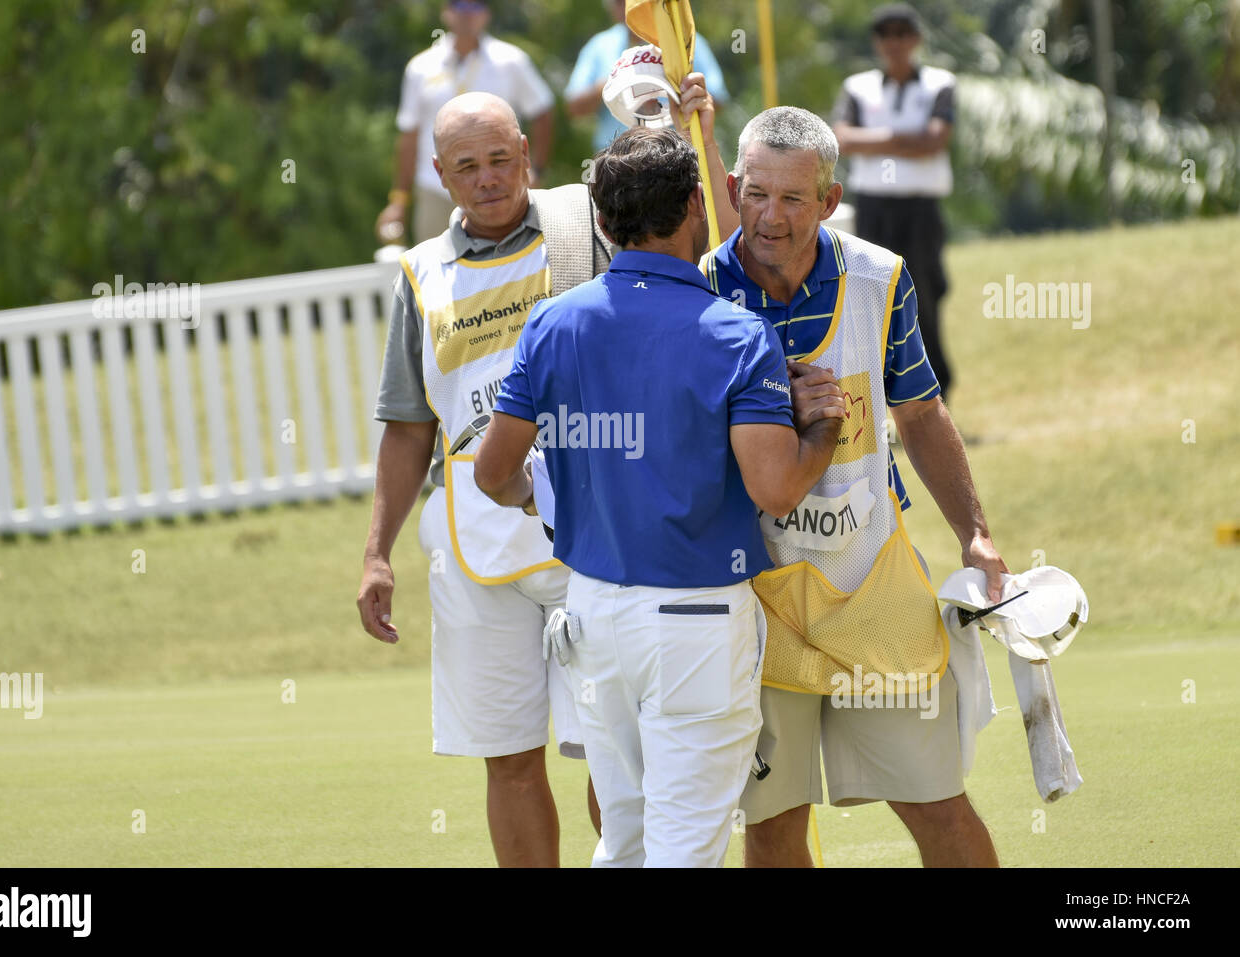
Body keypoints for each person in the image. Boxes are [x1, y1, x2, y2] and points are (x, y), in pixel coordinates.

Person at [355, 75, 723, 866]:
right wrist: (377, 550)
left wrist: (677, 111)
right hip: (473, 539)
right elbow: (408, 421)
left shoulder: (582, 223)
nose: (487, 178)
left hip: (592, 523)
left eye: (500, 157)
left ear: (527, 152)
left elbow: (684, 227)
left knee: (608, 746)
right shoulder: (420, 272)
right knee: (510, 756)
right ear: (438, 173)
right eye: (466, 166)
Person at [472, 126, 845, 867]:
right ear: (698, 208)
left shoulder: (553, 320)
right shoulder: (735, 333)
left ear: (603, 223)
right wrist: (825, 429)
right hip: (696, 621)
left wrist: (537, 498)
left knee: (627, 841)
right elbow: (774, 487)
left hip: (592, 612)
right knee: (683, 849)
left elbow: (492, 474)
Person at [699, 105, 1006, 867]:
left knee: (936, 802)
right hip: (758, 598)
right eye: (758, 193)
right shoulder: (699, 288)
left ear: (829, 201)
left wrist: (976, 531)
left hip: (875, 581)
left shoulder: (880, 276)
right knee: (772, 827)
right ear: (733, 188)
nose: (771, 216)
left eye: (794, 199)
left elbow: (922, 411)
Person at [832, 2, 957, 402]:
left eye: (903, 33)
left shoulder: (939, 83)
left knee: (925, 298)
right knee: (872, 301)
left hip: (920, 210)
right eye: (887, 34)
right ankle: (879, 396)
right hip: (874, 208)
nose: (895, 42)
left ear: (916, 39)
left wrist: (877, 140)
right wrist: (906, 138)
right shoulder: (858, 86)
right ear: (877, 42)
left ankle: (936, 395)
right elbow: (842, 139)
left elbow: (936, 140)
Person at [376, 0, 554, 248]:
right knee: (436, 269)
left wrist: (536, 170)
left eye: (476, 6)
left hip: (498, 182)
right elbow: (408, 137)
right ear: (446, 13)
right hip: (436, 189)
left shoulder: (511, 61)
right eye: (459, 5)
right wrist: (399, 199)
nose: (468, 13)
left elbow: (542, 111)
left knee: (510, 261)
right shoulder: (421, 67)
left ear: (487, 14)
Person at [566, 0, 729, 152]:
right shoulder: (599, 46)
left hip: (675, 154)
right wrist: (613, 83)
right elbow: (574, 107)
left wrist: (683, 88)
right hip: (615, 160)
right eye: (619, 2)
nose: (626, 7)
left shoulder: (685, 38)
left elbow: (718, 98)